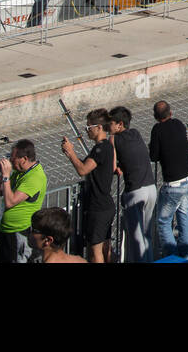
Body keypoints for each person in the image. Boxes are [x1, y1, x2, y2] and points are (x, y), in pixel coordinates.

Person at [62, 108, 117, 263]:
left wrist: (71, 153)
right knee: (106, 247)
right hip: (105, 205)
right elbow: (89, 165)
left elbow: (83, 169)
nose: (86, 131)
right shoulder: (106, 147)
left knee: (95, 251)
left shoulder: (99, 149)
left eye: (88, 128)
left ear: (99, 128)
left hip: (98, 207)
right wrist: (70, 155)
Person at [109, 105, 158, 263]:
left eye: (110, 123)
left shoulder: (114, 139)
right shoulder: (136, 134)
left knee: (136, 238)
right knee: (147, 234)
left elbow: (112, 165)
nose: (108, 127)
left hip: (135, 191)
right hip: (150, 187)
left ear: (119, 124)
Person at [149, 100, 188, 259]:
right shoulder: (179, 124)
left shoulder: (157, 130)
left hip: (174, 184)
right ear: (170, 112)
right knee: (185, 218)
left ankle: (173, 258)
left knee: (163, 221)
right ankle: (186, 255)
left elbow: (153, 156)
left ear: (155, 116)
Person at [0, 139, 45, 264]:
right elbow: (1, 191)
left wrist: (7, 176)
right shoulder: (19, 172)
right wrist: (3, 175)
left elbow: (10, 202)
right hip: (8, 231)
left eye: (13, 159)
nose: (11, 162)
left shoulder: (34, 177)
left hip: (20, 232)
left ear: (24, 158)